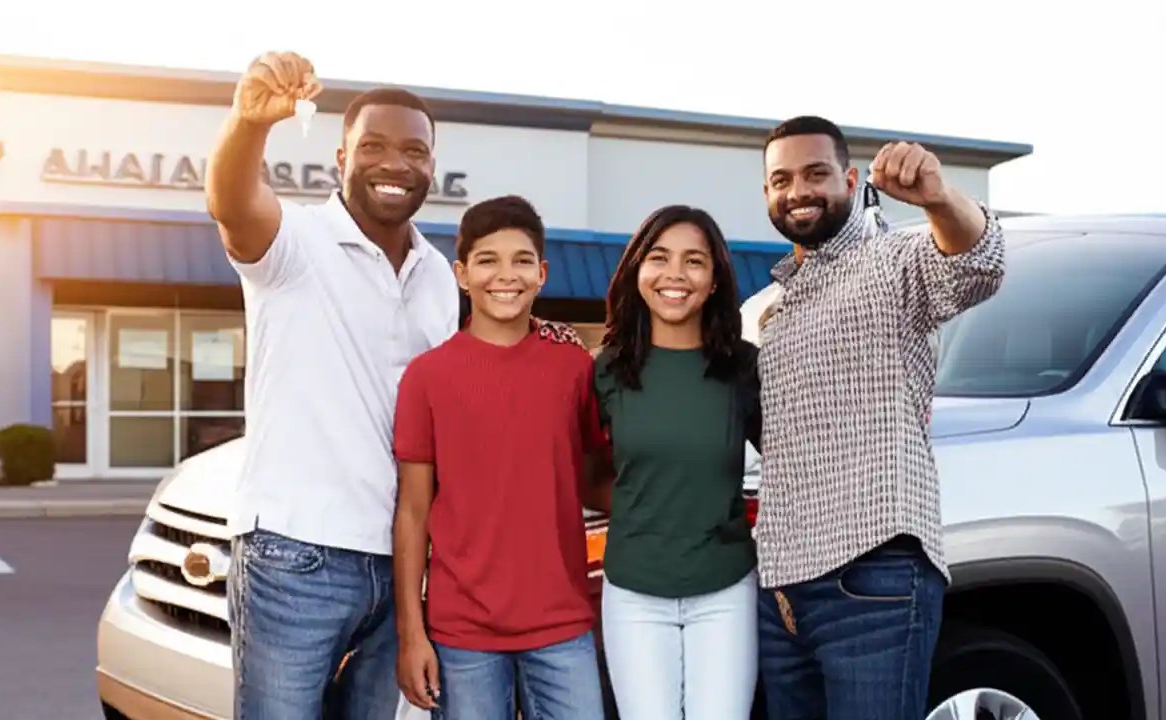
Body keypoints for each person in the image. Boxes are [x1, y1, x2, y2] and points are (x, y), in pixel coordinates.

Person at [205, 51, 459, 719]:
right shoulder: (295, 244)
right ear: (339, 159)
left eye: (414, 150)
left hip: (401, 565)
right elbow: (231, 203)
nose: (395, 163)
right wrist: (248, 124)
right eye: (372, 146)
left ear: (432, 166)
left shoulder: (438, 275)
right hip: (296, 555)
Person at [753, 115, 1006, 720]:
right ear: (766, 195)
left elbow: (978, 264)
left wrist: (939, 198)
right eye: (780, 180)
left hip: (875, 579)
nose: (797, 192)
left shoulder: (892, 259)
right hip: (783, 594)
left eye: (816, 174)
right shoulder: (773, 308)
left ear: (849, 178)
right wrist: (777, 580)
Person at [391, 195, 607, 720]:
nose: (505, 275)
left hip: (563, 625)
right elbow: (413, 513)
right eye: (487, 260)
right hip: (463, 632)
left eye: (521, 260)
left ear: (542, 273)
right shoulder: (427, 377)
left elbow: (594, 478)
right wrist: (410, 634)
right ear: (462, 274)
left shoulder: (574, 368)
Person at [590, 204, 762, 719]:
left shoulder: (743, 367)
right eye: (659, 258)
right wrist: (650, 511)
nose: (675, 275)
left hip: (725, 589)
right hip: (634, 592)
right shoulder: (608, 370)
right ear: (637, 271)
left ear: (713, 280)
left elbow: (796, 462)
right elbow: (583, 473)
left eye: (694, 261)